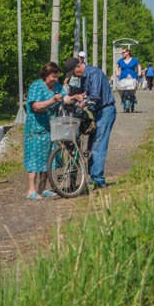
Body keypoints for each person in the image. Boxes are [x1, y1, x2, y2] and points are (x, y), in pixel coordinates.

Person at [63, 55, 116, 189]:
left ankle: (98, 180)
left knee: (98, 145)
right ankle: (93, 176)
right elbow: (83, 93)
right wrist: (74, 98)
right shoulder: (84, 77)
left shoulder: (94, 73)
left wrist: (83, 102)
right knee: (92, 146)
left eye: (73, 73)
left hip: (105, 111)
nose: (74, 76)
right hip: (97, 112)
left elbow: (95, 96)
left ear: (78, 67)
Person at [24, 62, 71, 200]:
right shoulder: (36, 86)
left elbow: (65, 97)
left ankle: (42, 188)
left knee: (48, 157)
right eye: (53, 77)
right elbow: (36, 107)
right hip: (36, 128)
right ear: (46, 75)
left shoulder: (57, 86)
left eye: (57, 77)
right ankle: (31, 190)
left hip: (52, 127)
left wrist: (76, 98)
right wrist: (52, 100)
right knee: (34, 158)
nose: (56, 80)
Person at [115, 47, 140, 112]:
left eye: (123, 52)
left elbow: (139, 66)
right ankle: (123, 101)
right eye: (122, 52)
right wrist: (117, 72)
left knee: (131, 91)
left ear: (127, 52)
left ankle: (132, 100)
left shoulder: (134, 60)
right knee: (123, 91)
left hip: (132, 79)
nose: (122, 54)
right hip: (123, 78)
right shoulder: (121, 60)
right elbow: (117, 66)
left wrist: (139, 72)